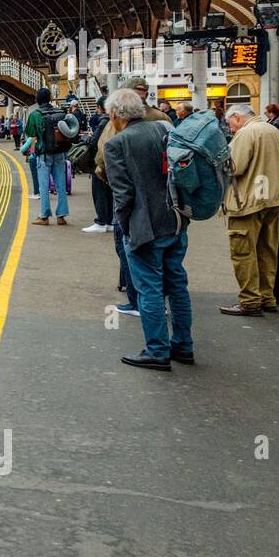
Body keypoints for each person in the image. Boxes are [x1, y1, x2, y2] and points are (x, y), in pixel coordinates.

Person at [102, 88, 193, 370]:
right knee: (177, 285)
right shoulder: (164, 129)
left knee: (149, 289)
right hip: (176, 221)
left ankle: (157, 350)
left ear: (116, 115)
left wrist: (126, 227)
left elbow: (123, 194)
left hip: (145, 228)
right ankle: (183, 345)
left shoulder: (116, 144)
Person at [220, 104, 279, 316]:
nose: (230, 129)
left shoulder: (246, 133)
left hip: (248, 200)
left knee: (243, 251)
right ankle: (267, 297)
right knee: (267, 249)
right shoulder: (272, 129)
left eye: (230, 123)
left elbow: (233, 167)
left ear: (238, 118)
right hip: (272, 197)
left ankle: (249, 301)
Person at [24, 87, 77, 225]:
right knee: (61, 185)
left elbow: (31, 134)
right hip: (60, 153)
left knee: (44, 186)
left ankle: (44, 216)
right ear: (50, 98)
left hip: (44, 155)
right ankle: (61, 216)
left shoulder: (36, 115)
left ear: (37, 100)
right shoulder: (61, 112)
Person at [82, 96, 114, 234]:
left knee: (99, 191)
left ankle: (101, 221)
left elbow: (94, 142)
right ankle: (110, 220)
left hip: (101, 161)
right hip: (114, 162)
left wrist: (87, 139)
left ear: (101, 108)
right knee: (110, 193)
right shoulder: (117, 120)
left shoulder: (103, 122)